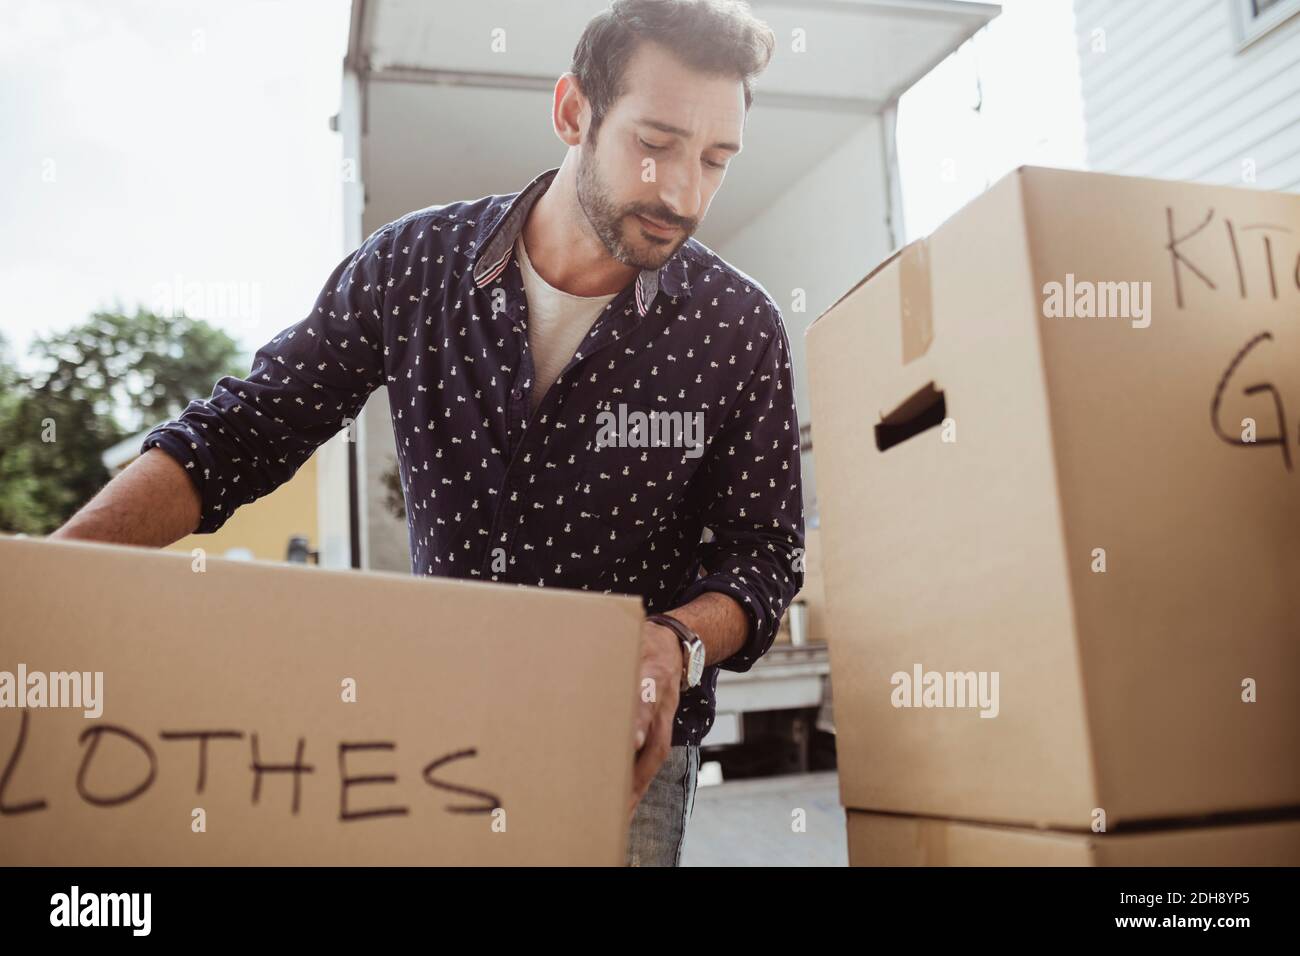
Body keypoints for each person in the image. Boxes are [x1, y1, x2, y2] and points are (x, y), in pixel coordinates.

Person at [52, 0, 804, 867]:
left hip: (621, 739)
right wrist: (53, 578)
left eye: (716, 160)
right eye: (657, 142)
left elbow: (765, 557)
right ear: (572, 111)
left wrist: (679, 642)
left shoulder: (737, 327)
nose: (682, 192)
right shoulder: (413, 266)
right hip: (436, 724)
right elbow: (244, 430)